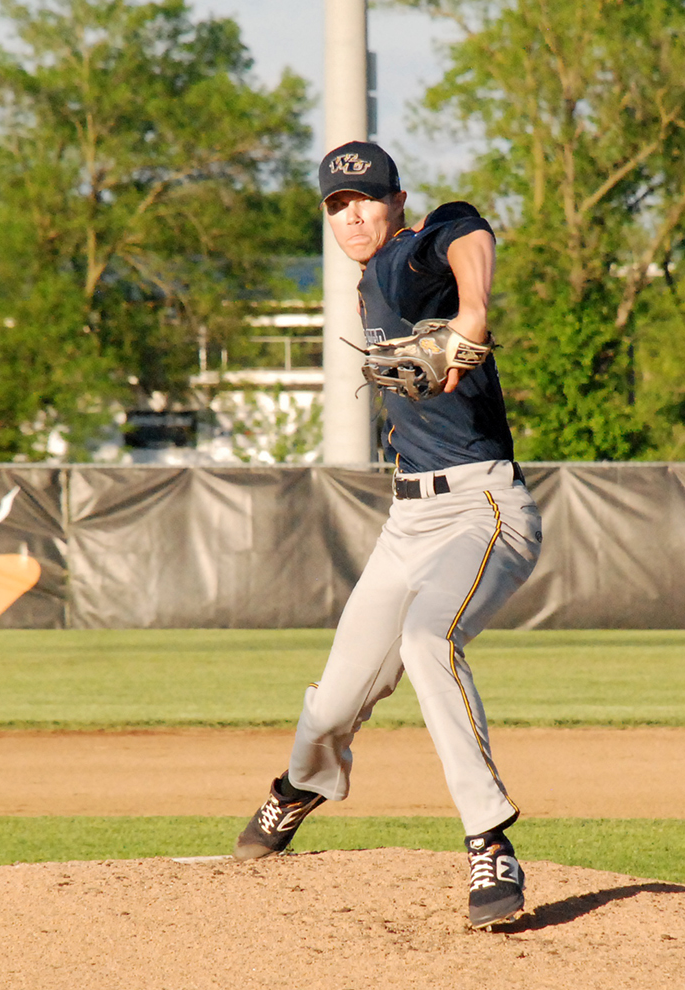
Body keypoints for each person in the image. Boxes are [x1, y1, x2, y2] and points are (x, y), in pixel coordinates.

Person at [232, 141, 543, 929]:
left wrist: (473, 311)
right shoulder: (368, 283)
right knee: (334, 700)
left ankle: (489, 840)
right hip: (407, 520)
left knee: (426, 639)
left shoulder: (406, 258)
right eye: (338, 205)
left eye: (367, 198)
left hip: (481, 510)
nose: (354, 214)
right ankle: (300, 785)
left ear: (396, 202)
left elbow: (467, 229)